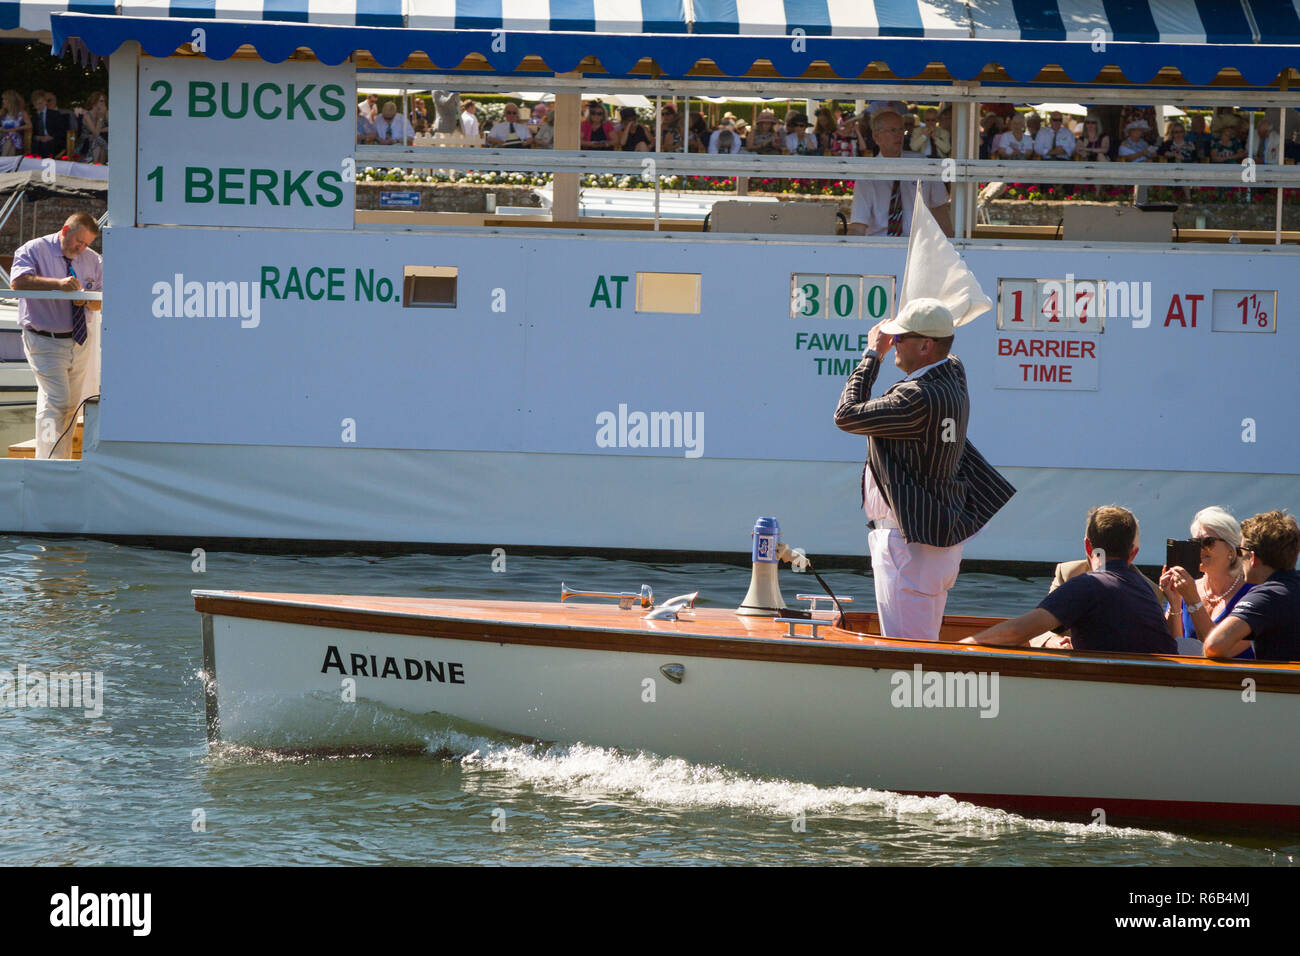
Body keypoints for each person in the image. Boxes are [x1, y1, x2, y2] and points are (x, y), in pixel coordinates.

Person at [833, 299, 1016, 641]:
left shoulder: (918, 397)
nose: (893, 342)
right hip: (931, 537)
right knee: (918, 645)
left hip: (910, 546)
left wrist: (872, 356)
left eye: (900, 338)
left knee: (909, 653)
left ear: (926, 346)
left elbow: (846, 414)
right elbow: (945, 346)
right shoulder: (953, 375)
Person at [965, 506, 1176, 654]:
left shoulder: (1089, 584)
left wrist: (958, 647)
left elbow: (1015, 632)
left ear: (1087, 546)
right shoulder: (1146, 588)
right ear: (1133, 553)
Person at [9, 212, 103, 460]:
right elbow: (17, 282)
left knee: (71, 405)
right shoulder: (34, 249)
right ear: (65, 230)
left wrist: (86, 301)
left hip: (79, 340)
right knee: (58, 401)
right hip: (44, 339)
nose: (80, 248)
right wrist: (57, 284)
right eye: (78, 241)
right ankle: (49, 461)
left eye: (86, 244)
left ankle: (57, 460)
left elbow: (102, 300)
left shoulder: (93, 259)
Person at [1204, 511, 1300, 661]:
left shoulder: (1267, 596)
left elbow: (1214, 645)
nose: (1240, 558)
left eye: (1240, 551)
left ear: (1253, 558)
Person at [1159, 506, 1254, 658]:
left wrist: (1193, 601)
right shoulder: (1186, 588)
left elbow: (1216, 650)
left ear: (1231, 550)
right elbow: (1173, 647)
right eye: (1195, 542)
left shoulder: (1251, 595)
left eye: (1208, 542)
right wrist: (1175, 602)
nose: (1199, 549)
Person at [848, 108, 953, 237]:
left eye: (901, 130)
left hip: (918, 244)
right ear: (876, 136)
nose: (898, 135)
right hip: (880, 244)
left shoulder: (922, 164)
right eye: (892, 130)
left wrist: (951, 245)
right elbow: (858, 225)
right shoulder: (867, 175)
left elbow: (940, 212)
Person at [32, 91, 72, 159]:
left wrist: (51, 137)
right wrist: (37, 137)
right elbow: (33, 132)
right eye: (36, 104)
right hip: (39, 140)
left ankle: (46, 162)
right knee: (36, 145)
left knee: (46, 145)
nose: (39, 106)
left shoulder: (54, 114)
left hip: (53, 139)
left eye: (40, 103)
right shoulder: (34, 117)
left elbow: (61, 130)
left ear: (45, 102)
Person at [74, 91, 108, 164]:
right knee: (97, 141)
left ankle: (99, 165)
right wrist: (100, 118)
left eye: (104, 101)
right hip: (86, 141)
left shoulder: (105, 113)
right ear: (94, 101)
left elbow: (111, 128)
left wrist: (101, 130)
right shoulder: (87, 115)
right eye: (101, 101)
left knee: (98, 140)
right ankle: (97, 164)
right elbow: (95, 133)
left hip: (99, 139)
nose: (103, 103)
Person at [1, 90, 31, 157]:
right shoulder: (3, 112)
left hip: (15, 136)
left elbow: (29, 125)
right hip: (3, 135)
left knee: (10, 137)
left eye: (5, 99)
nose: (3, 101)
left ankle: (3, 159)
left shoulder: (22, 113)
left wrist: (14, 129)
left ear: (10, 101)